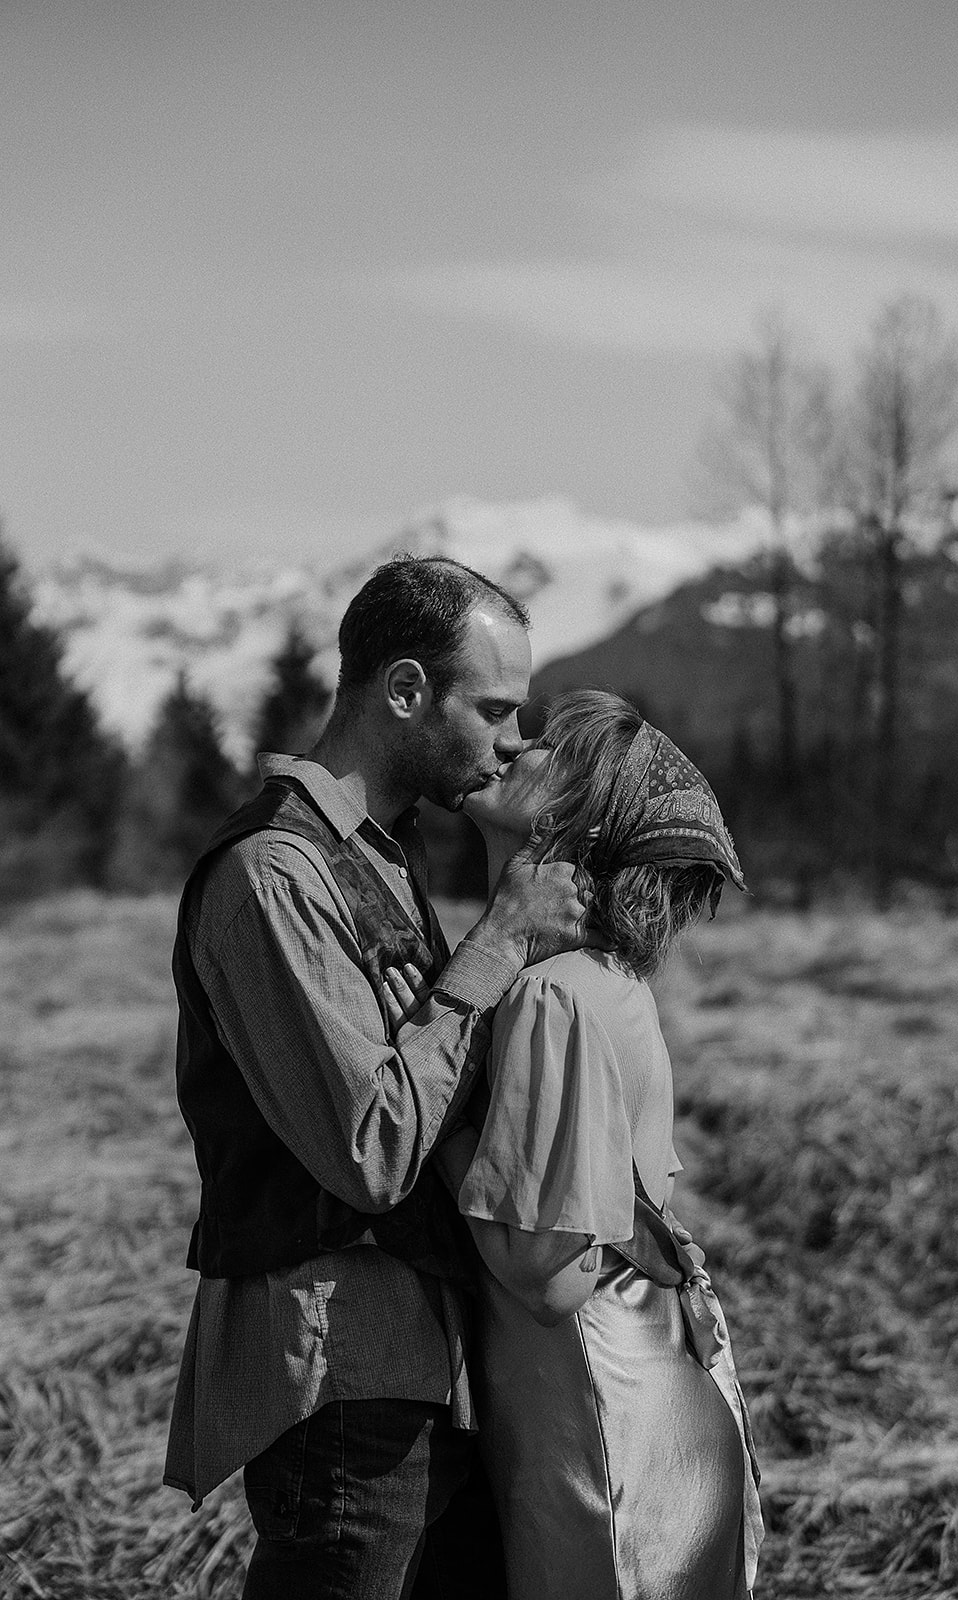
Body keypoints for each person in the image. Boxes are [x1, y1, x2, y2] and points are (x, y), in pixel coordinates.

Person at [163, 554, 597, 1599]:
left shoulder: (378, 859)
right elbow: (374, 1146)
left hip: (418, 1368)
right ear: (404, 690)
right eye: (493, 707)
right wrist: (495, 943)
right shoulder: (275, 873)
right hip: (339, 1377)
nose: (512, 739)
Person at [431, 689, 765, 1600]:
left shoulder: (556, 996)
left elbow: (549, 1275)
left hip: (604, 1425)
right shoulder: (594, 978)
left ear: (576, 825)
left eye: (545, 749)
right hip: (634, 1400)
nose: (511, 745)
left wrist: (441, 1136)